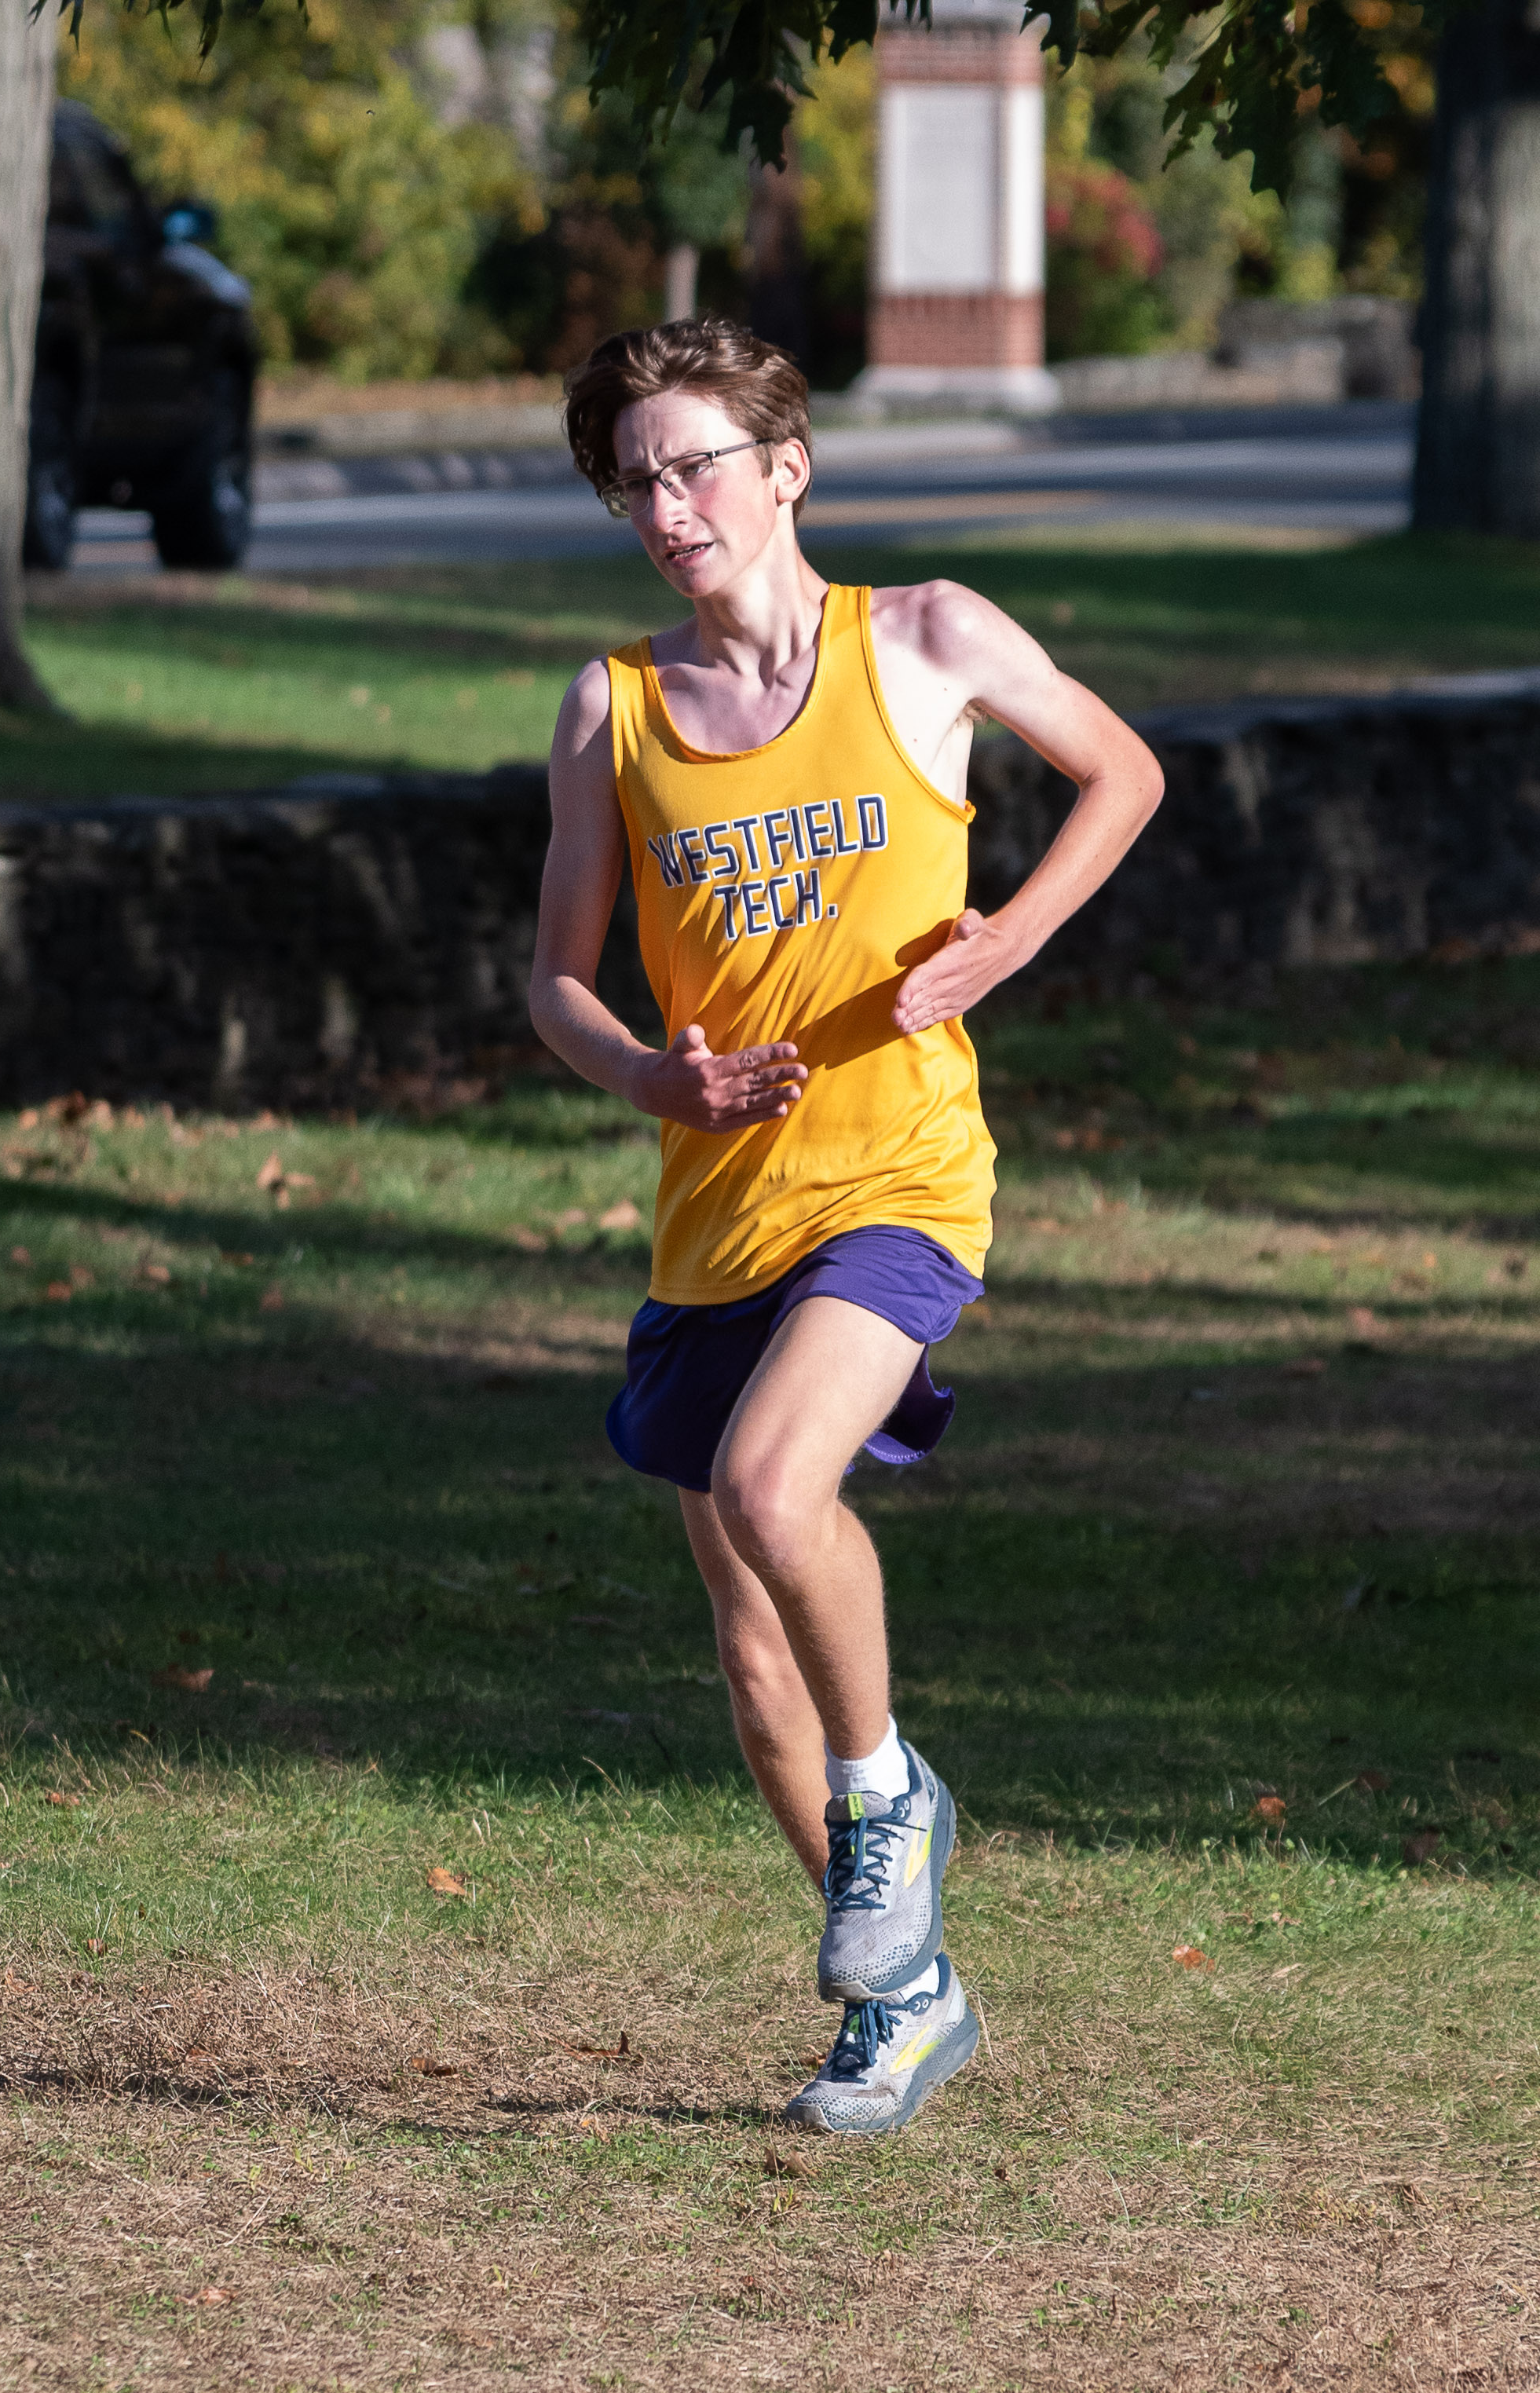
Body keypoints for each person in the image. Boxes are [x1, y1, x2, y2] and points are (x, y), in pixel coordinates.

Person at [530, 318, 1162, 2136]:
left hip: (897, 1183)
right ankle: (902, 1996)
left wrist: (1009, 935)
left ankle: (892, 1793)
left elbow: (1120, 772)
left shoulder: (928, 638)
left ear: (783, 466)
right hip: (713, 1212)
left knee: (771, 1487)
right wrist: (655, 1081)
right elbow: (555, 985)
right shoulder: (614, 709)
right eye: (632, 478)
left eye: (693, 463)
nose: (665, 505)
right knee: (748, 1666)